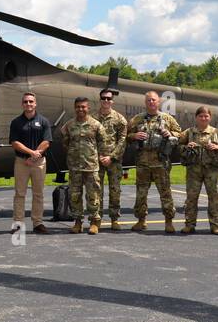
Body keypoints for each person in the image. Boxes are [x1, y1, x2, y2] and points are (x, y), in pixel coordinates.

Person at [127, 91, 181, 233]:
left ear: (159, 102)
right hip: (143, 162)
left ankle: (169, 222)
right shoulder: (137, 119)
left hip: (161, 163)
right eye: (149, 100)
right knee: (141, 193)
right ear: (145, 103)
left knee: (165, 193)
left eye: (154, 100)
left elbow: (180, 135)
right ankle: (141, 220)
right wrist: (134, 135)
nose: (151, 102)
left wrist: (171, 134)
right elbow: (126, 136)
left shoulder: (167, 119)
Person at [60, 96, 110, 234]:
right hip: (75, 166)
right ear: (75, 108)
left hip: (91, 167)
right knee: (75, 195)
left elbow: (103, 144)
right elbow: (65, 143)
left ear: (88, 108)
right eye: (78, 107)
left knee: (93, 195)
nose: (80, 109)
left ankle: (94, 222)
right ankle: (77, 222)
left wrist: (101, 157)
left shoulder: (96, 125)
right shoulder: (69, 125)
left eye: (83, 107)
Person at [177, 106, 218, 235]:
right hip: (194, 170)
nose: (203, 118)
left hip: (212, 169)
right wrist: (187, 147)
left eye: (206, 116)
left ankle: (216, 225)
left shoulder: (216, 133)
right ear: (196, 117)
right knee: (191, 198)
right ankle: (189, 224)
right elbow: (178, 146)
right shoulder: (189, 132)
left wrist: (217, 147)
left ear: (210, 118)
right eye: (201, 116)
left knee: (214, 198)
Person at [10, 92, 52, 234]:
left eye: (31, 102)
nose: (28, 104)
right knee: (20, 193)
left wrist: (34, 157)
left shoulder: (44, 121)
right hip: (21, 162)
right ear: (22, 104)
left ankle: (38, 223)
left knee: (38, 193)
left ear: (35, 104)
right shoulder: (16, 122)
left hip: (39, 162)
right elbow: (15, 143)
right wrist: (30, 153)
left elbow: (46, 142)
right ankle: (18, 223)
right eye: (26, 102)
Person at [94, 89, 128, 231]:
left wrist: (112, 156)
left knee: (115, 190)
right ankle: (96, 220)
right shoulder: (93, 118)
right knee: (96, 191)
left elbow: (123, 140)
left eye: (109, 99)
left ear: (112, 101)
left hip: (114, 161)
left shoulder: (120, 119)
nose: (106, 101)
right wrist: (98, 156)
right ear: (100, 100)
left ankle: (114, 219)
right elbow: (90, 140)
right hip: (97, 160)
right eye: (104, 98)